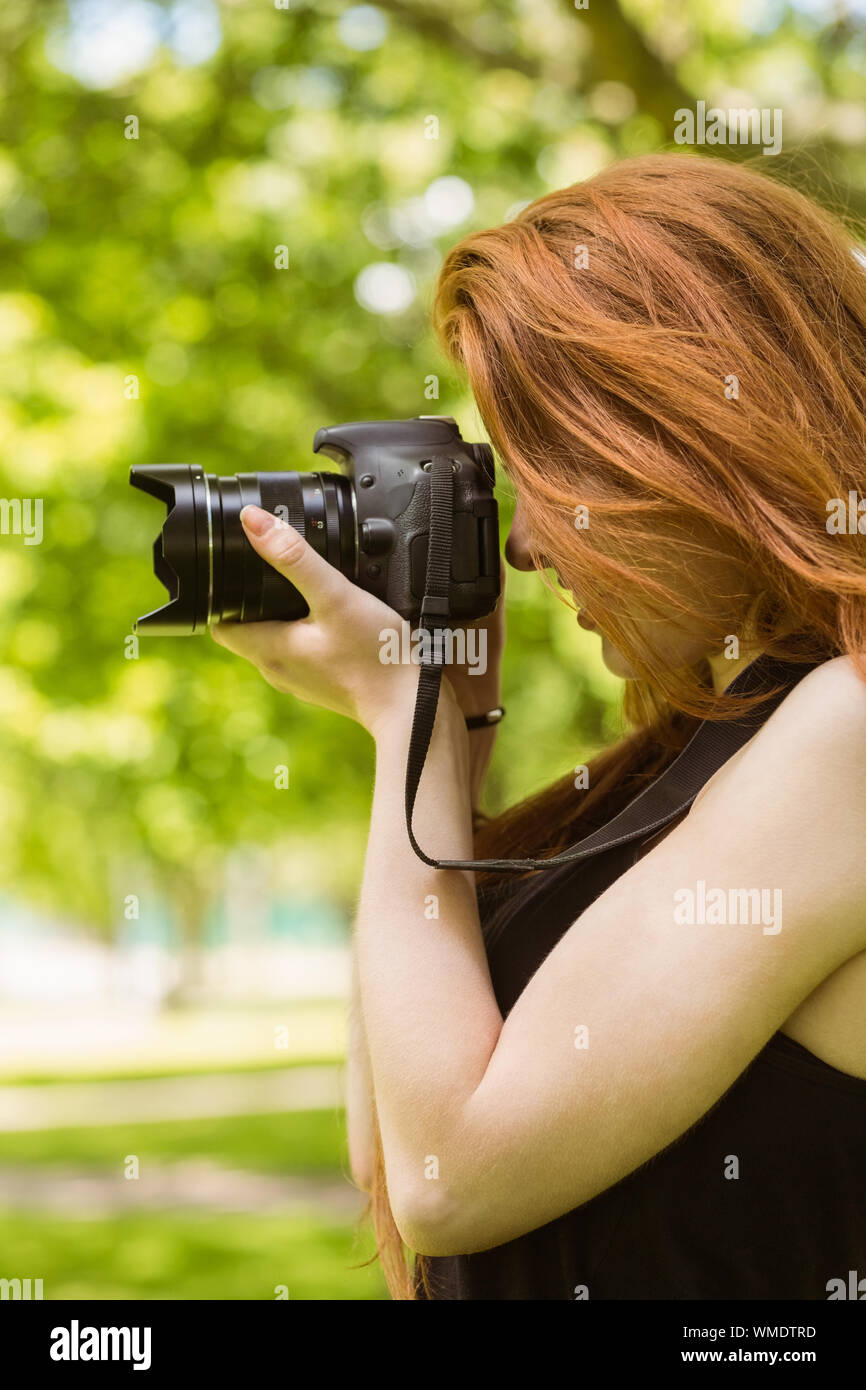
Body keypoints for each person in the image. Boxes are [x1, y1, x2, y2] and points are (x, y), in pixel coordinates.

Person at [212, 153, 866, 1300]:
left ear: (678, 445)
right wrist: (439, 735)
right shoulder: (701, 750)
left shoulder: (846, 728)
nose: (521, 549)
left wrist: (400, 703)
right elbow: (390, 1146)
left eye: (541, 477)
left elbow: (447, 1173)